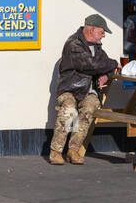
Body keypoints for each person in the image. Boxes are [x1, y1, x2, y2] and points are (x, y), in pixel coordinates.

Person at [49, 14, 117, 165]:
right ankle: (56, 151)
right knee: (69, 110)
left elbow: (106, 65)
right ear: (91, 29)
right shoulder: (73, 44)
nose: (104, 34)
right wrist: (113, 64)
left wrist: (107, 74)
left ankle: (73, 150)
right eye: (102, 31)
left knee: (89, 109)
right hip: (70, 89)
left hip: (89, 91)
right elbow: (92, 65)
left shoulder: (97, 46)